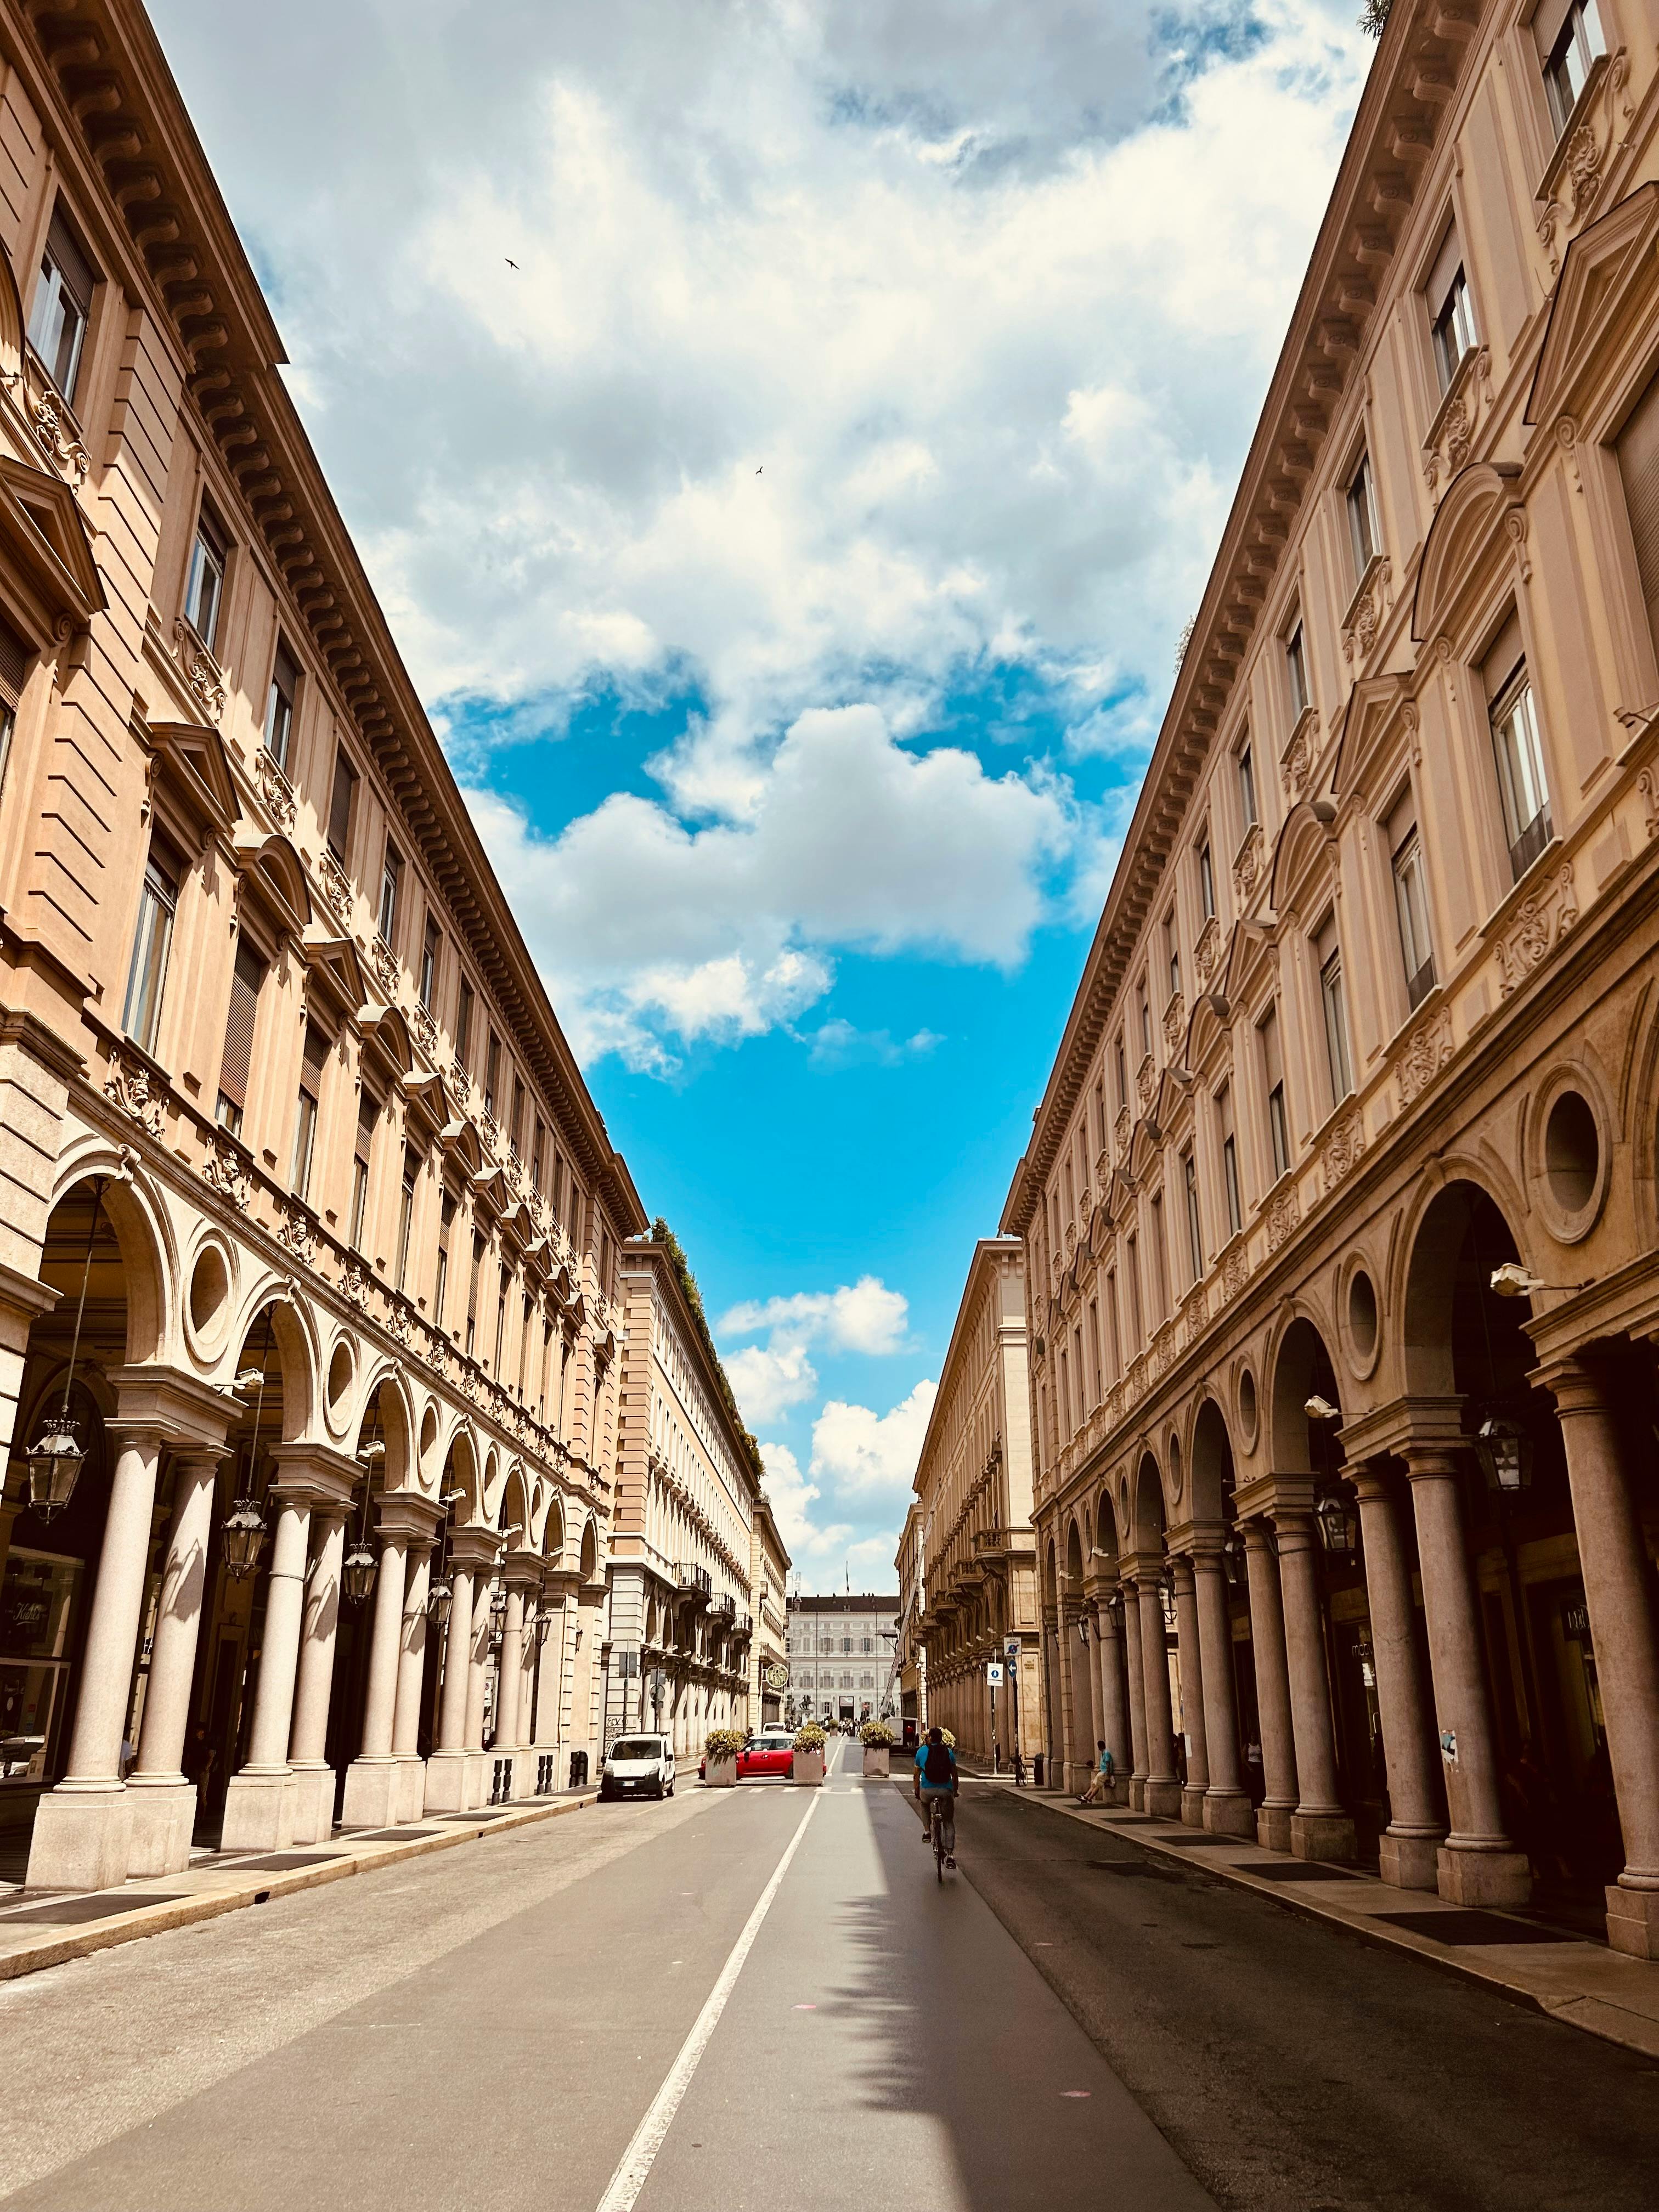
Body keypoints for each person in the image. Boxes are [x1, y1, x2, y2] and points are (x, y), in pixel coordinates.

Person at [914, 1725, 958, 1865]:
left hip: (927, 1790)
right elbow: (955, 1775)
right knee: (948, 1822)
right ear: (941, 1739)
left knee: (925, 1804)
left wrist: (917, 1792)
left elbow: (916, 1776)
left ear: (930, 1738)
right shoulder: (949, 1752)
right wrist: (955, 1791)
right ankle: (950, 1855)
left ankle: (927, 1832)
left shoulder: (921, 1752)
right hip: (945, 1790)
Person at [1079, 1741, 1115, 1805]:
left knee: (1097, 1786)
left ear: (1099, 1747)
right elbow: (1104, 1766)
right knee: (1094, 1785)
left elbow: (1108, 1765)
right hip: (1102, 1772)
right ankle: (1086, 1797)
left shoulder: (1106, 1753)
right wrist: (1098, 1769)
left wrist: (1107, 1775)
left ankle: (1088, 1797)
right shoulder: (1103, 1753)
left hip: (1104, 1773)